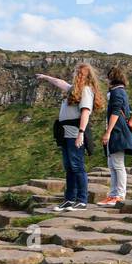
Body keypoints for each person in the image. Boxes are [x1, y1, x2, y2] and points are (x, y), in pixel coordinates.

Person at [37, 65, 103, 212]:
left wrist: (81, 133)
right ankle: (69, 199)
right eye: (76, 72)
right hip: (66, 134)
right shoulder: (74, 89)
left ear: (84, 76)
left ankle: (82, 200)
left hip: (74, 133)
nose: (75, 75)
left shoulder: (86, 90)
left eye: (78, 73)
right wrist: (46, 77)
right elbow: (60, 83)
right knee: (69, 167)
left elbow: (85, 112)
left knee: (77, 166)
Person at [99, 66, 132, 207]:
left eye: (108, 77)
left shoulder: (117, 92)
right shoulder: (119, 91)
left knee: (118, 164)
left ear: (113, 78)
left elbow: (115, 112)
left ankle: (119, 195)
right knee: (112, 164)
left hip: (118, 132)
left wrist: (108, 132)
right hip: (117, 131)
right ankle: (113, 194)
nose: (106, 80)